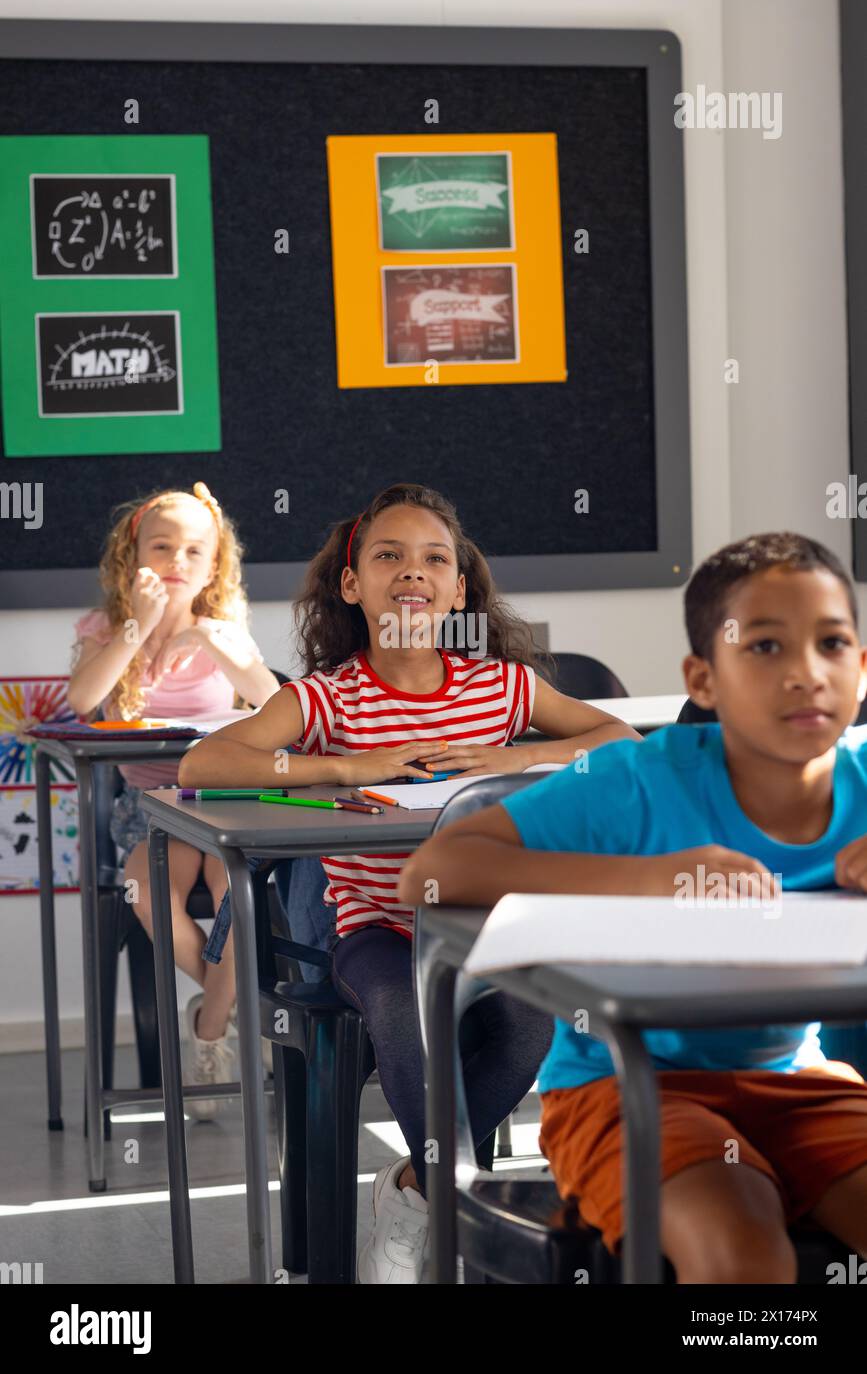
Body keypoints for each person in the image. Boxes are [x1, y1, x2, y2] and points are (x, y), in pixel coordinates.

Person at [181, 480, 640, 1279]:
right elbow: (202, 762)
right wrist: (347, 764)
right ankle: (446, 1209)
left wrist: (514, 754)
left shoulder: (502, 689)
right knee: (400, 1012)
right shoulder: (328, 696)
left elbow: (620, 737)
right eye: (387, 556)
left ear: (458, 589)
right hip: (377, 927)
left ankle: (417, 1194)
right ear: (352, 584)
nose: (412, 572)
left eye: (434, 558)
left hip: (486, 925)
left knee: (531, 1023)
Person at [400, 532, 867, 1283]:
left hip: (799, 1084)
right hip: (622, 1089)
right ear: (702, 679)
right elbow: (432, 871)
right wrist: (653, 879)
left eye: (831, 643)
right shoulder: (638, 781)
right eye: (765, 648)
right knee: (743, 1254)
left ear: (861, 666)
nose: (805, 674)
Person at [68, 482, 278, 1118]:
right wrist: (138, 625)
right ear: (134, 558)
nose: (178, 561)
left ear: (213, 565)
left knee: (235, 893)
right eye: (162, 547)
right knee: (146, 891)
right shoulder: (107, 628)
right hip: (149, 805)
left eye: (194, 550)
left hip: (222, 797)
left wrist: (217, 644)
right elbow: (83, 702)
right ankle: (235, 1008)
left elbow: (273, 705)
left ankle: (210, 1024)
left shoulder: (226, 628)